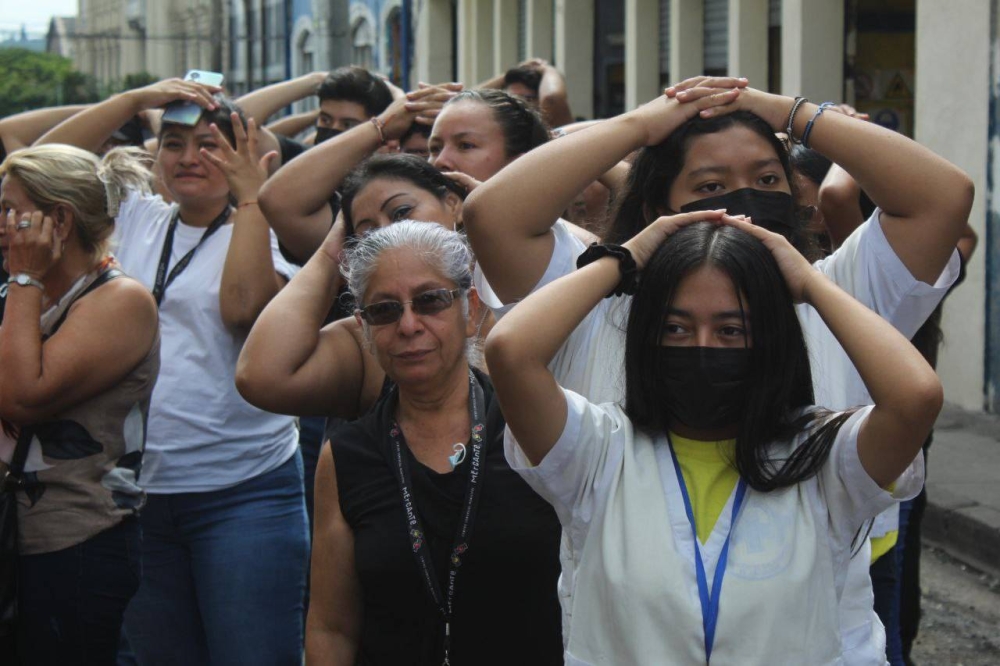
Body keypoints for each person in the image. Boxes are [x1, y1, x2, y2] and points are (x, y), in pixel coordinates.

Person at [463, 77, 972, 662]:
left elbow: (943, 194)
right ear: (660, 209)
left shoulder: (840, 292)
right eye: (711, 186)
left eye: (766, 179)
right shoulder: (597, 310)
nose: (744, 201)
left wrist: (778, 110)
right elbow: (493, 215)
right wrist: (642, 126)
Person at [484, 214, 940, 663]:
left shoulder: (824, 458)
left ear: (770, 340)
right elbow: (510, 350)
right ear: (647, 336)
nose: (702, 347)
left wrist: (810, 284)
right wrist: (622, 260)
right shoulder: (597, 450)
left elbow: (915, 396)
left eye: (731, 330)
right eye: (676, 328)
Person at [38, 80, 309, 665]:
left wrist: (251, 199)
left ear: (243, 156)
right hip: (133, 494)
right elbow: (36, 168)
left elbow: (242, 310)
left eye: (209, 144)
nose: (189, 159)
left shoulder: (260, 234)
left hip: (243, 492)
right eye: (174, 143)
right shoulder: (133, 216)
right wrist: (131, 102)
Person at [306, 221, 563, 665]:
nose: (408, 325)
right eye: (385, 310)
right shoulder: (347, 457)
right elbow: (331, 628)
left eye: (430, 301)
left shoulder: (533, 426)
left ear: (471, 309)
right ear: (364, 329)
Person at [0, 144, 160, 664]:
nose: (1, 224)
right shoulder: (31, 293)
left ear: (59, 220)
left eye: (9, 210)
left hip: (76, 542)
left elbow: (23, 396)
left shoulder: (120, 300)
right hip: (18, 539)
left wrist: (23, 277)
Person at [238, 154, 468, 423]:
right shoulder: (367, 341)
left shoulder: (512, 302)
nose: (408, 326)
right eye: (367, 232)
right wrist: (329, 255)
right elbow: (261, 378)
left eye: (401, 212)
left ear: (452, 203)